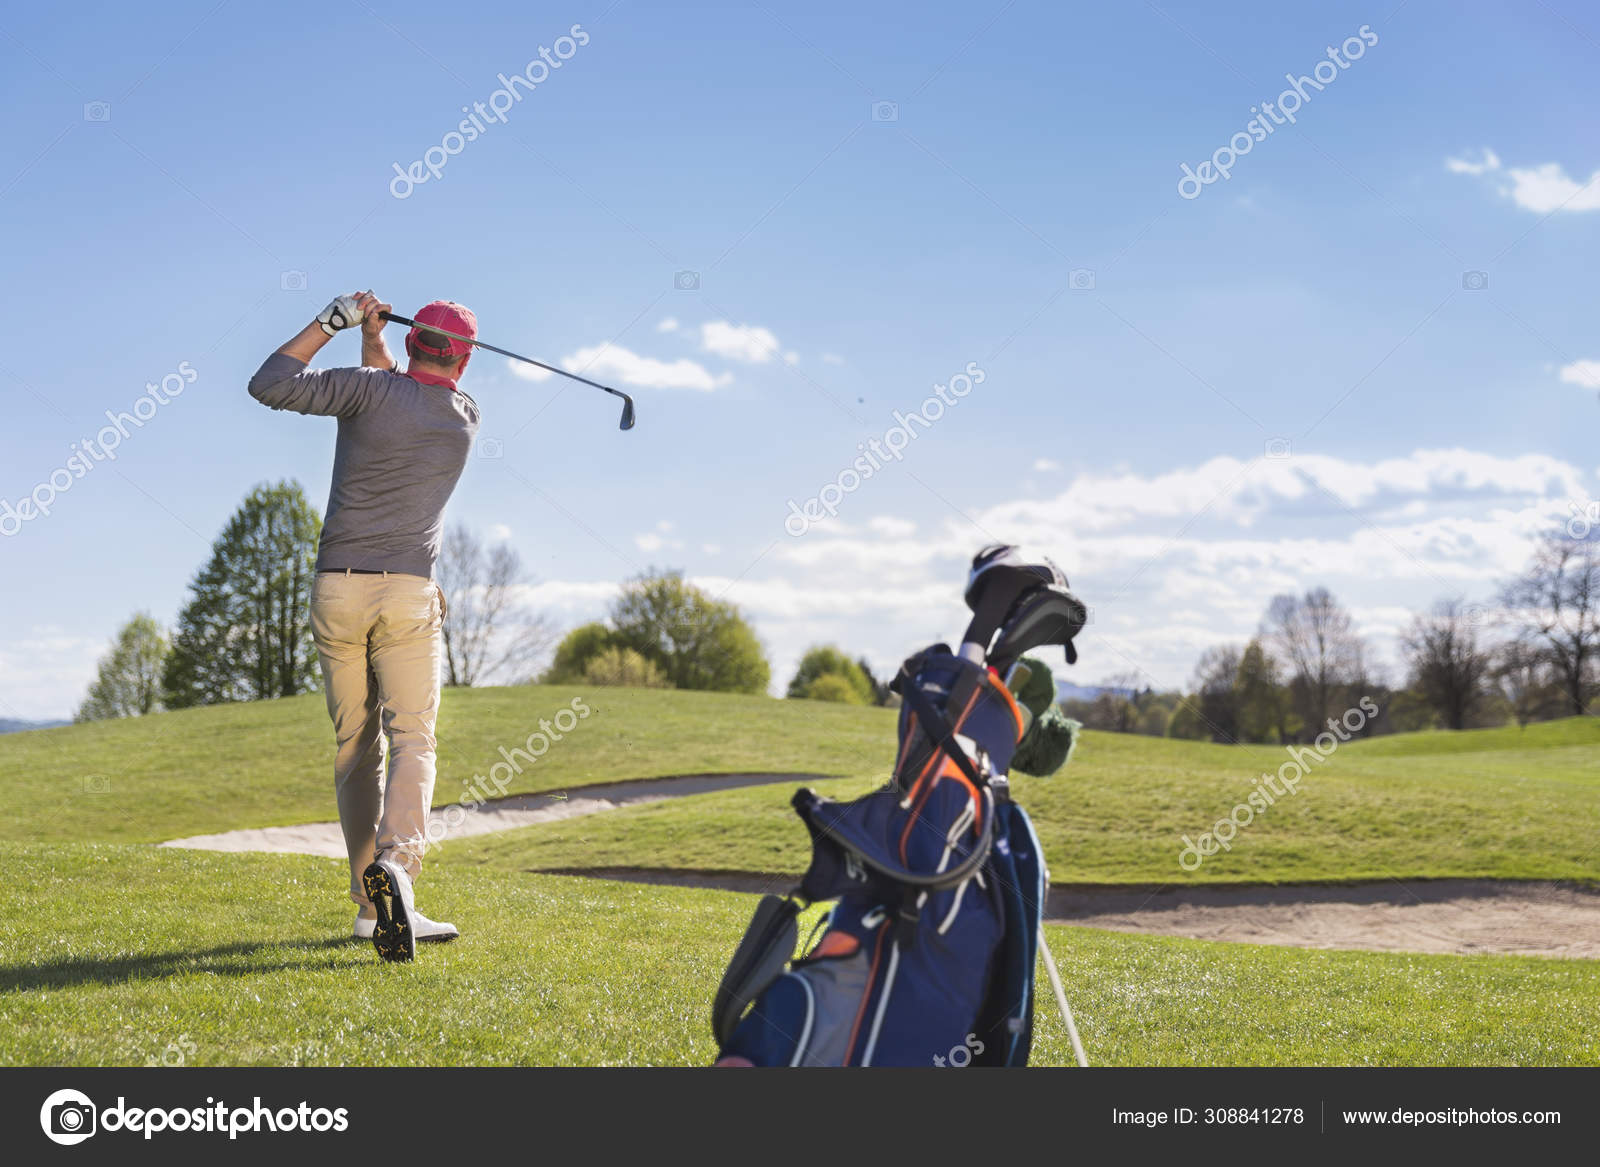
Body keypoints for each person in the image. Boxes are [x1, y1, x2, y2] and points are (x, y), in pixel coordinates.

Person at [247, 291, 481, 962]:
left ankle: (369, 904)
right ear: (463, 358)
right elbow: (397, 389)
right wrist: (375, 346)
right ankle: (398, 872)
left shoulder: (365, 392)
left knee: (357, 745)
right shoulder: (463, 417)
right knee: (414, 736)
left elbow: (270, 383)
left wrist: (336, 323)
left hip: (338, 588)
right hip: (408, 592)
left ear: (411, 344)